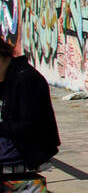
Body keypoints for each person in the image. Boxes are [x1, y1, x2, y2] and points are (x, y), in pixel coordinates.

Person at [0, 38, 60, 172]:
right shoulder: (7, 77)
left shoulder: (27, 80)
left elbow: (28, 126)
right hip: (12, 143)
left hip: (29, 149)